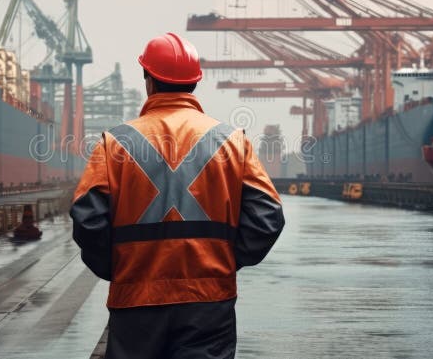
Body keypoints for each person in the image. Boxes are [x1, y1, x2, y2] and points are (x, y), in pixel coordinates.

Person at [70, 33, 285, 359]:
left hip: (136, 301)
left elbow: (87, 218)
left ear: (148, 80)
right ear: (194, 83)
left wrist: (117, 269)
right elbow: (268, 216)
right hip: (209, 302)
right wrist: (226, 262)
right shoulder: (232, 141)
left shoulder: (115, 143)